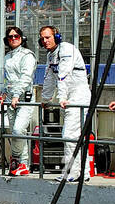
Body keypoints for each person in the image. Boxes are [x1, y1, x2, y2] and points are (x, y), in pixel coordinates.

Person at [39, 25, 91, 182]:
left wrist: (61, 97)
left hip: (78, 96)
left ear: (57, 37)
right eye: (42, 39)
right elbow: (49, 78)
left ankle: (72, 172)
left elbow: (63, 75)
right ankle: (84, 172)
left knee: (69, 135)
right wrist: (45, 99)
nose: (45, 41)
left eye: (48, 37)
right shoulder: (51, 55)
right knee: (75, 136)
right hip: (67, 99)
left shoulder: (67, 49)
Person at [0, 26, 36, 176]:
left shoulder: (28, 55)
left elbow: (26, 77)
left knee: (18, 129)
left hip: (24, 97)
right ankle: (23, 164)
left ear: (22, 38)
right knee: (16, 132)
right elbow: (6, 78)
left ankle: (15, 158)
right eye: (10, 37)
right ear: (6, 40)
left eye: (16, 36)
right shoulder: (7, 57)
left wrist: (16, 95)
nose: (13, 39)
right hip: (10, 98)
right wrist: (2, 93)